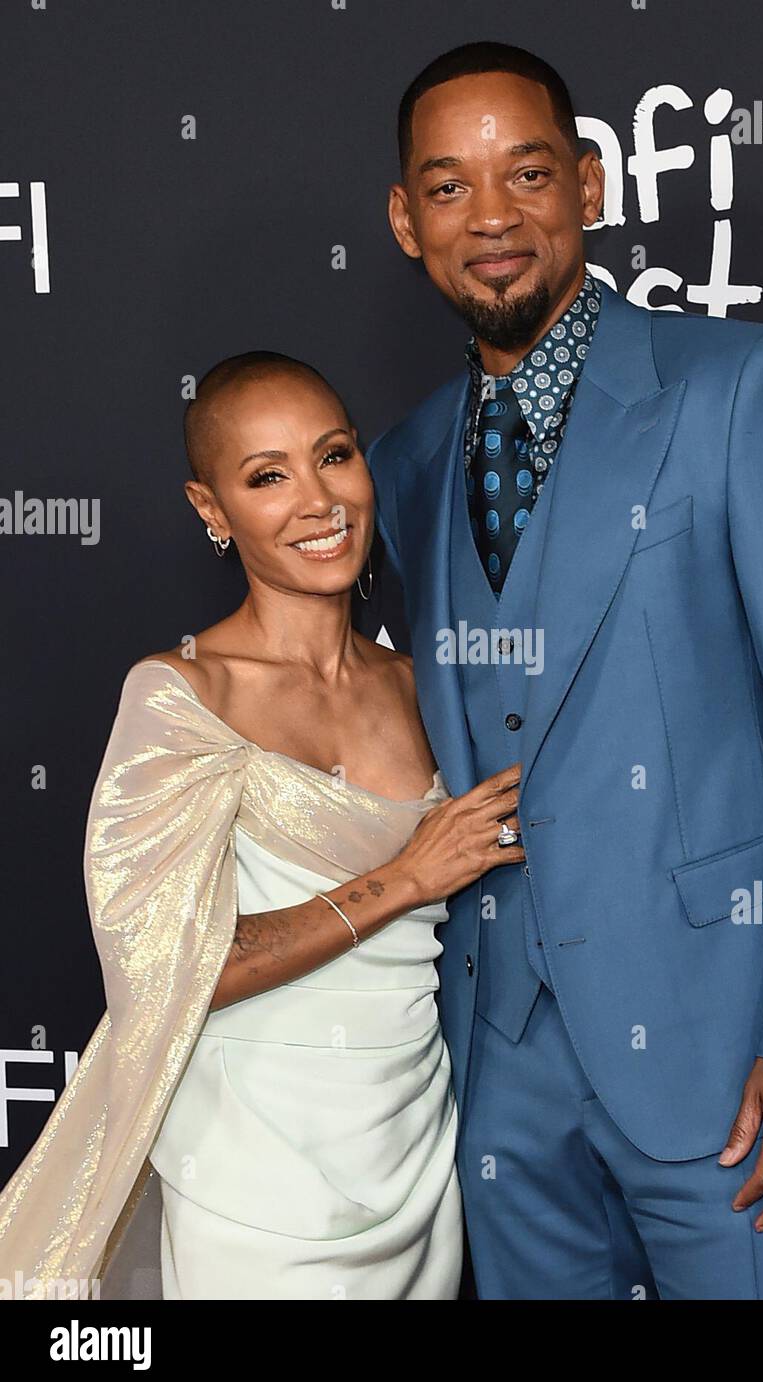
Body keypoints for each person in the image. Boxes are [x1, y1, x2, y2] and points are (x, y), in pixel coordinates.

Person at [364, 41, 763, 1298]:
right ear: (403, 222)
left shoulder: (740, 386)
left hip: (734, 1071)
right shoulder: (401, 463)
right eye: (446, 187)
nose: (489, 217)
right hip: (501, 1085)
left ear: (592, 187)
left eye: (528, 173)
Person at [0, 351, 524, 1300]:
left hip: (414, 1141)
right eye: (268, 476)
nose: (319, 500)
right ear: (212, 510)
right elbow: (169, 968)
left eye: (335, 456)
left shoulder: (423, 689)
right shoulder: (185, 694)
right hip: (256, 1166)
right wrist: (406, 877)